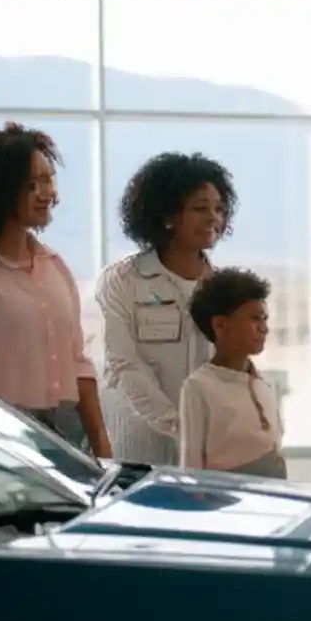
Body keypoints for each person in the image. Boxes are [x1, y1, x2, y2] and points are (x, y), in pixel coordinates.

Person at [0, 121, 111, 456]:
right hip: (3, 437)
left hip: (71, 433)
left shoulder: (54, 266)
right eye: (34, 184)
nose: (49, 194)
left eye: (49, 180)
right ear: (0, 190)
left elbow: (78, 363)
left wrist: (101, 443)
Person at [96, 152, 236, 466]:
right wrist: (178, 425)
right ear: (167, 215)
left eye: (219, 208)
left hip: (208, 451)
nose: (213, 218)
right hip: (138, 447)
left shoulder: (224, 288)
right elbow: (124, 365)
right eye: (200, 208)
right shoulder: (123, 280)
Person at [178, 267, 285, 478]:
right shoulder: (200, 386)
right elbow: (191, 462)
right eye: (255, 318)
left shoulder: (263, 383)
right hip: (224, 496)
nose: (264, 328)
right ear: (220, 326)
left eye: (265, 319)